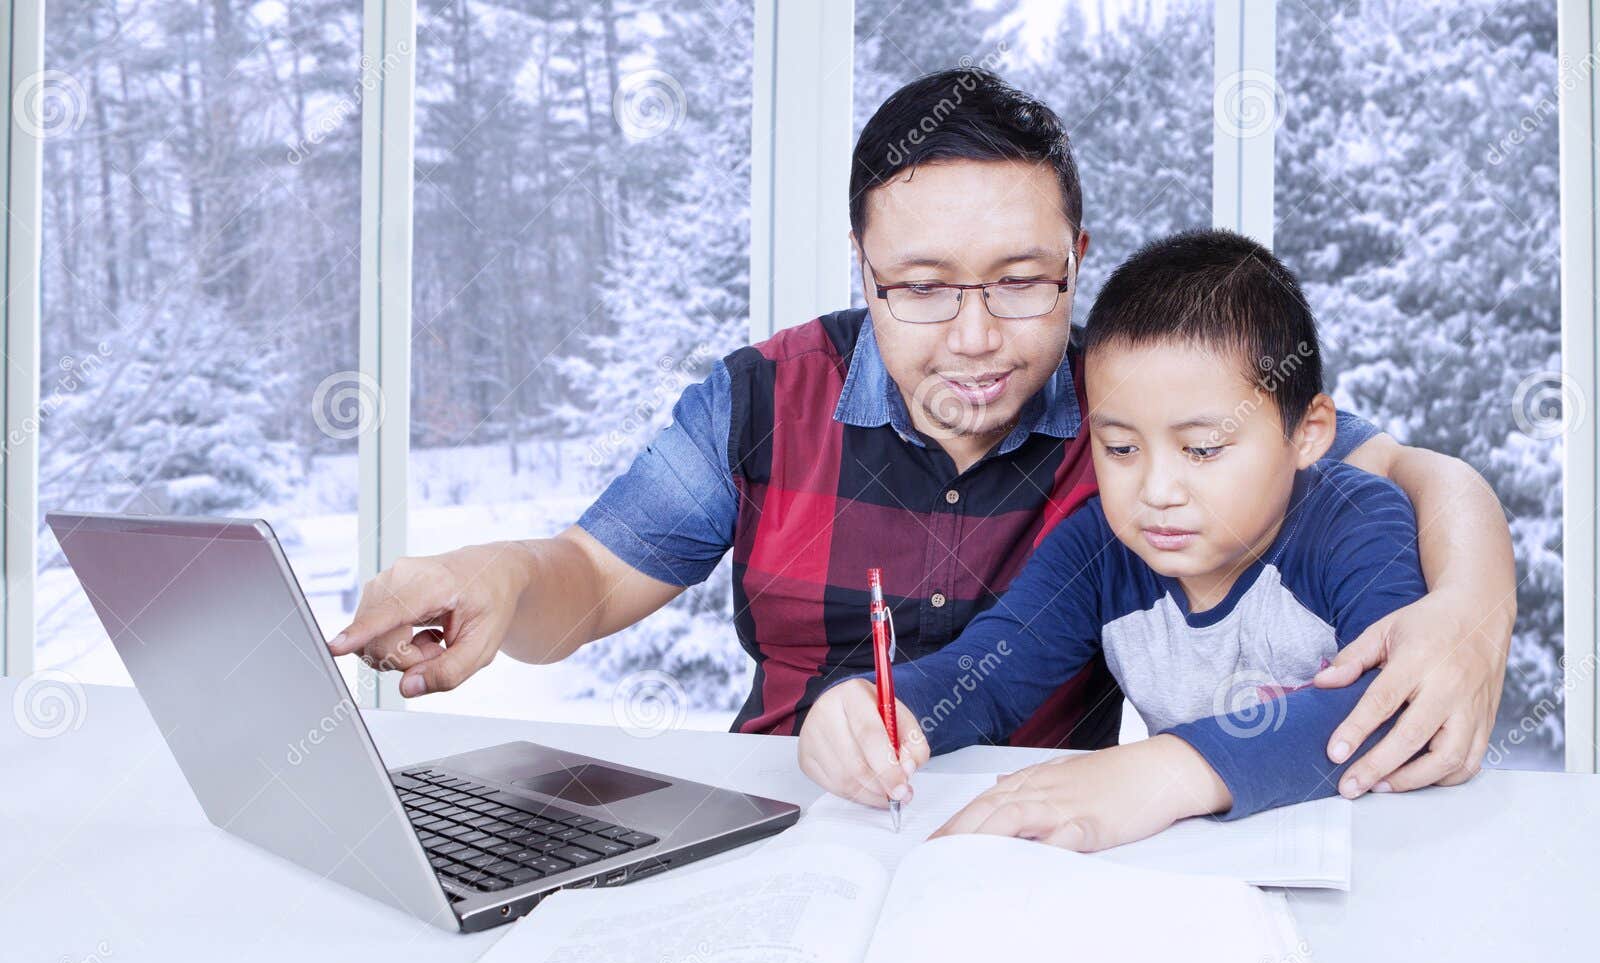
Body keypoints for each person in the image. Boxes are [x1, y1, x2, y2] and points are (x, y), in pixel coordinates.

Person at [328, 69, 1514, 814]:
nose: (979, 339)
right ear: (865, 270)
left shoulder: (1141, 397)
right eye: (924, 289)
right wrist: (494, 574)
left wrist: (1468, 606)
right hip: (792, 814)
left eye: (1020, 282)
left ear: (1075, 260)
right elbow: (581, 581)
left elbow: (1405, 476)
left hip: (1029, 840)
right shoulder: (761, 395)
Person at [799, 229, 1428, 849]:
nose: (1156, 489)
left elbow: (1397, 701)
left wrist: (1161, 771)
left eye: (1203, 449)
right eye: (1120, 447)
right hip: (1197, 876)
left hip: (1380, 858)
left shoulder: (1357, 522)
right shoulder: (1098, 550)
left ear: (1309, 432)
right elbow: (988, 674)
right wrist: (877, 709)